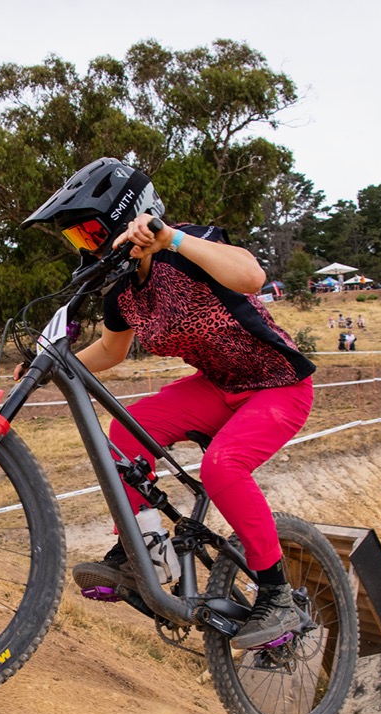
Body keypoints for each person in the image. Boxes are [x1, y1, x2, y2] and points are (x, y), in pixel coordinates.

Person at [22, 157, 315, 650]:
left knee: (223, 469)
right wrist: (49, 364)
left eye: (90, 233)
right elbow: (113, 351)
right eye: (77, 241)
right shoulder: (122, 294)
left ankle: (277, 594)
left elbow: (251, 275)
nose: (87, 247)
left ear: (124, 215)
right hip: (217, 385)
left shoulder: (191, 246)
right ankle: (144, 555)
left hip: (278, 385)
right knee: (125, 432)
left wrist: (171, 238)